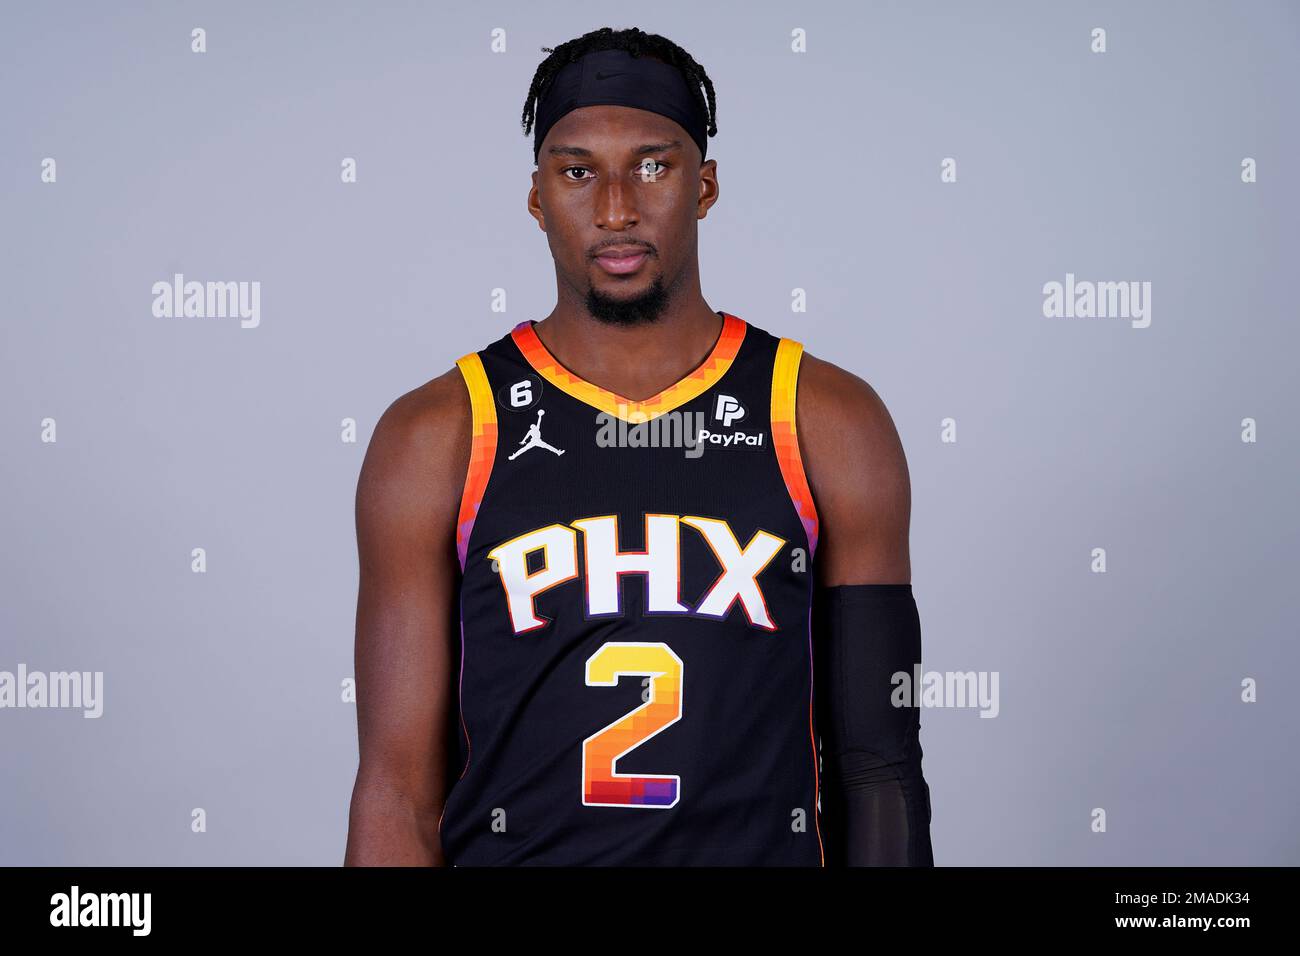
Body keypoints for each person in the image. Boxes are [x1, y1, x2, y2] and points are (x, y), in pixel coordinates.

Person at [344, 26, 932, 866]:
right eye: (578, 171)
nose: (616, 207)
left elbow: (878, 770)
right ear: (538, 196)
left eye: (653, 165)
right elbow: (397, 794)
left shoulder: (826, 418)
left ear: (706, 185)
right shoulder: (437, 433)